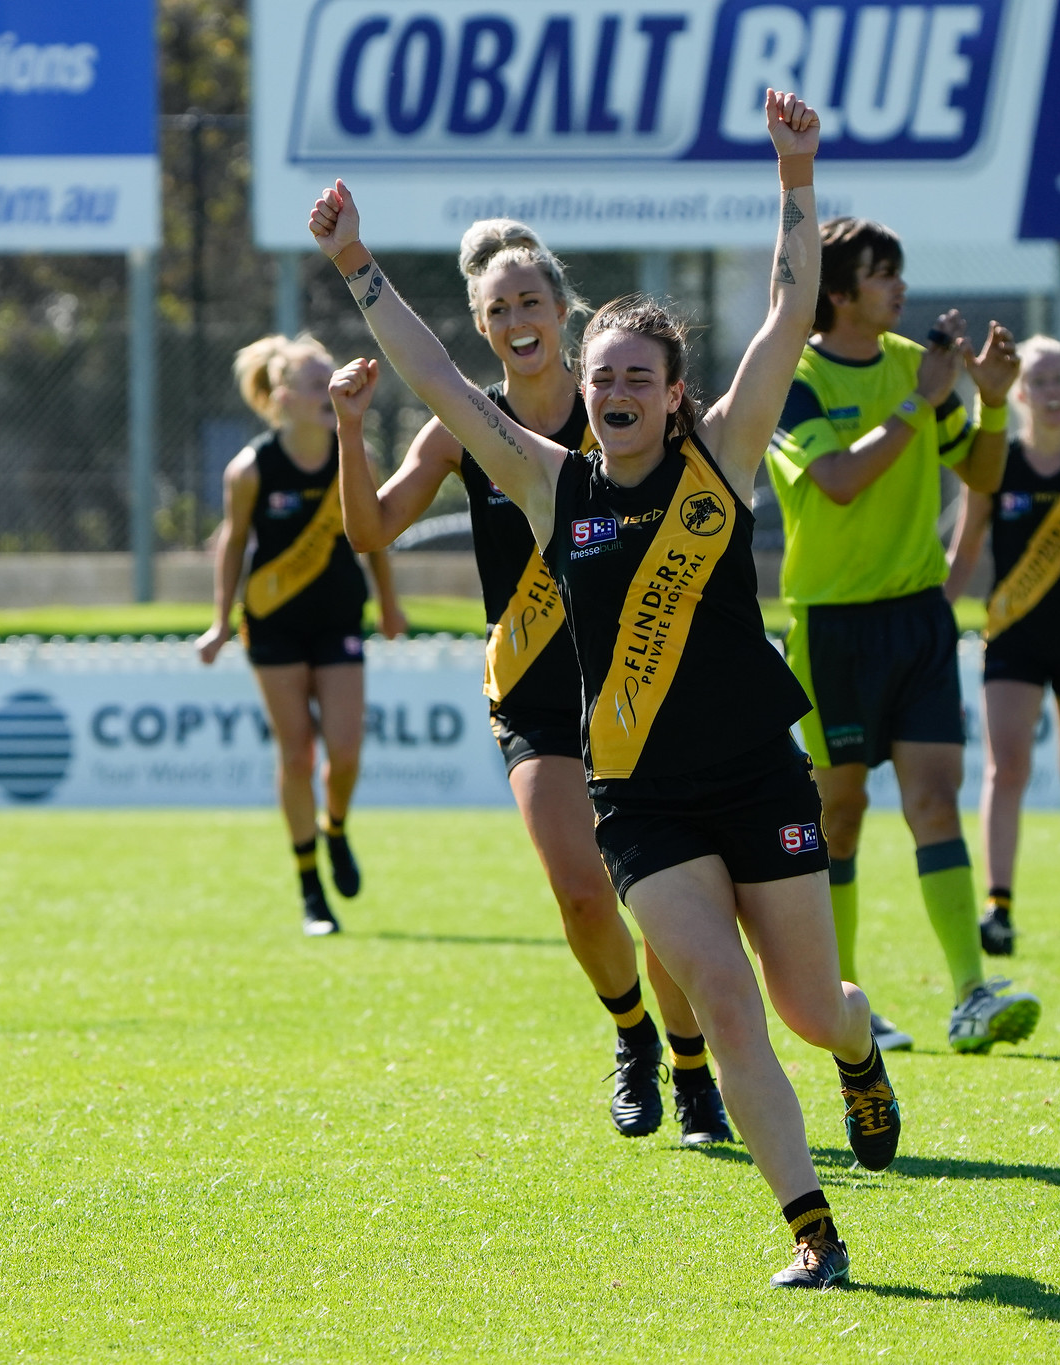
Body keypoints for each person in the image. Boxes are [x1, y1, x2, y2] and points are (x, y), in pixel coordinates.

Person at [313, 91, 896, 1291]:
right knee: (723, 1004)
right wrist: (356, 264)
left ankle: (858, 1051)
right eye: (602, 377)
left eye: (638, 375)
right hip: (640, 801)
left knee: (806, 1008)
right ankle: (812, 1231)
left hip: (756, 776)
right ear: (583, 392)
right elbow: (438, 380)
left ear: (673, 392)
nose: (616, 390)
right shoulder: (549, 484)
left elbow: (788, 311)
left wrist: (796, 176)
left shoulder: (722, 457)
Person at [335, 218, 724, 1148]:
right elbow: (370, 529)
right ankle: (632, 1035)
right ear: (480, 324)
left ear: (563, 311)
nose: (517, 320)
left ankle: (694, 1068)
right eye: (498, 308)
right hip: (535, 695)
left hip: (641, 685)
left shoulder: (621, 407)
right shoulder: (463, 427)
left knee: (660, 899)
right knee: (583, 893)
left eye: (531, 302)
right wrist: (349, 426)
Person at [766, 214, 1039, 1055]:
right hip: (832, 625)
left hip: (918, 617)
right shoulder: (795, 378)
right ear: (840, 292)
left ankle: (971, 991)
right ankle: (845, 1000)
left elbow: (982, 473)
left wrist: (991, 402)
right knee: (839, 814)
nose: (901, 287)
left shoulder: (912, 366)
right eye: (884, 273)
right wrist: (923, 400)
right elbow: (839, 480)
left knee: (934, 799)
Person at [195, 333, 407, 936]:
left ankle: (334, 827)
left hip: (339, 620)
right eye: (318, 384)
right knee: (295, 755)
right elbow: (233, 544)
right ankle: (311, 887)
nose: (330, 390)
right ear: (284, 397)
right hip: (273, 624)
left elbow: (375, 535)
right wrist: (219, 622)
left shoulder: (354, 454)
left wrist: (390, 606)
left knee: (345, 751)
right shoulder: (250, 470)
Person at [945, 337, 1060, 959]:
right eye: (1041, 381)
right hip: (1014, 635)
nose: (1053, 392)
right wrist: (934, 613)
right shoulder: (995, 465)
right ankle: (998, 910)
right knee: (1007, 767)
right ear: (1020, 392)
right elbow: (964, 554)